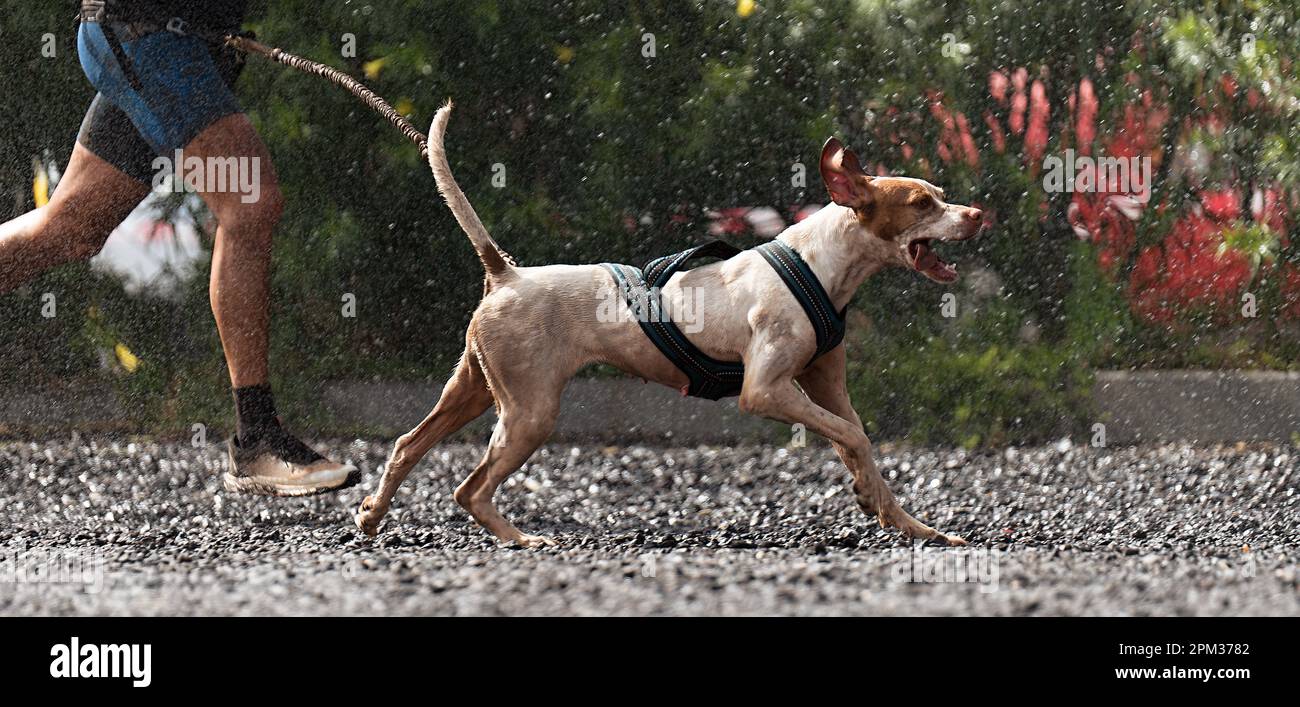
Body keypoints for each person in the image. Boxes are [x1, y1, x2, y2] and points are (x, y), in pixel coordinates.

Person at [0, 0, 357, 495]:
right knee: (249, 202)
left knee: (71, 229)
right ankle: (257, 441)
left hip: (168, 43)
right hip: (149, 41)